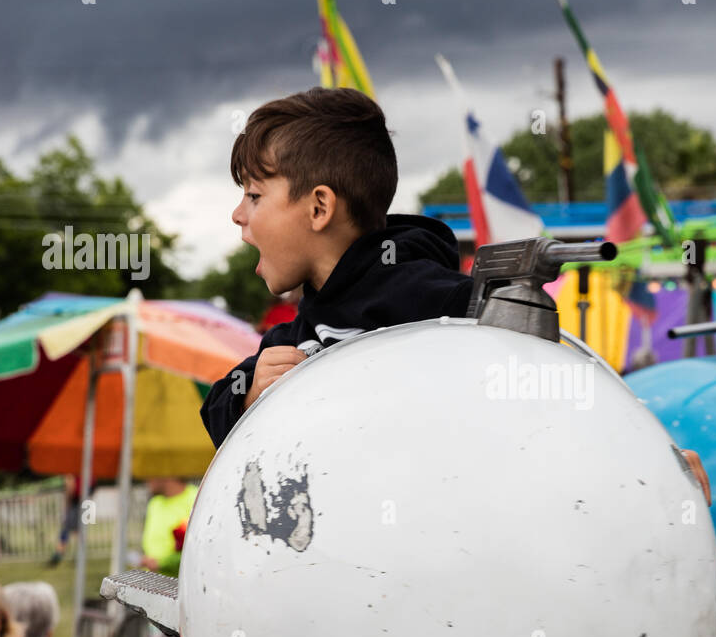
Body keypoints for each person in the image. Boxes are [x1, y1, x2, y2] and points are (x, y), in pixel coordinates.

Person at [199, 87, 473, 449]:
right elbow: (215, 411)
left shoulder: (437, 301)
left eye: (254, 196)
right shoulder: (296, 334)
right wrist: (250, 395)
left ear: (318, 209)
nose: (237, 215)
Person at [140, 477, 198, 577]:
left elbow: (196, 550)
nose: (146, 477)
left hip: (180, 585)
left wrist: (161, 564)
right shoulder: (154, 503)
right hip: (151, 582)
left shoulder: (196, 499)